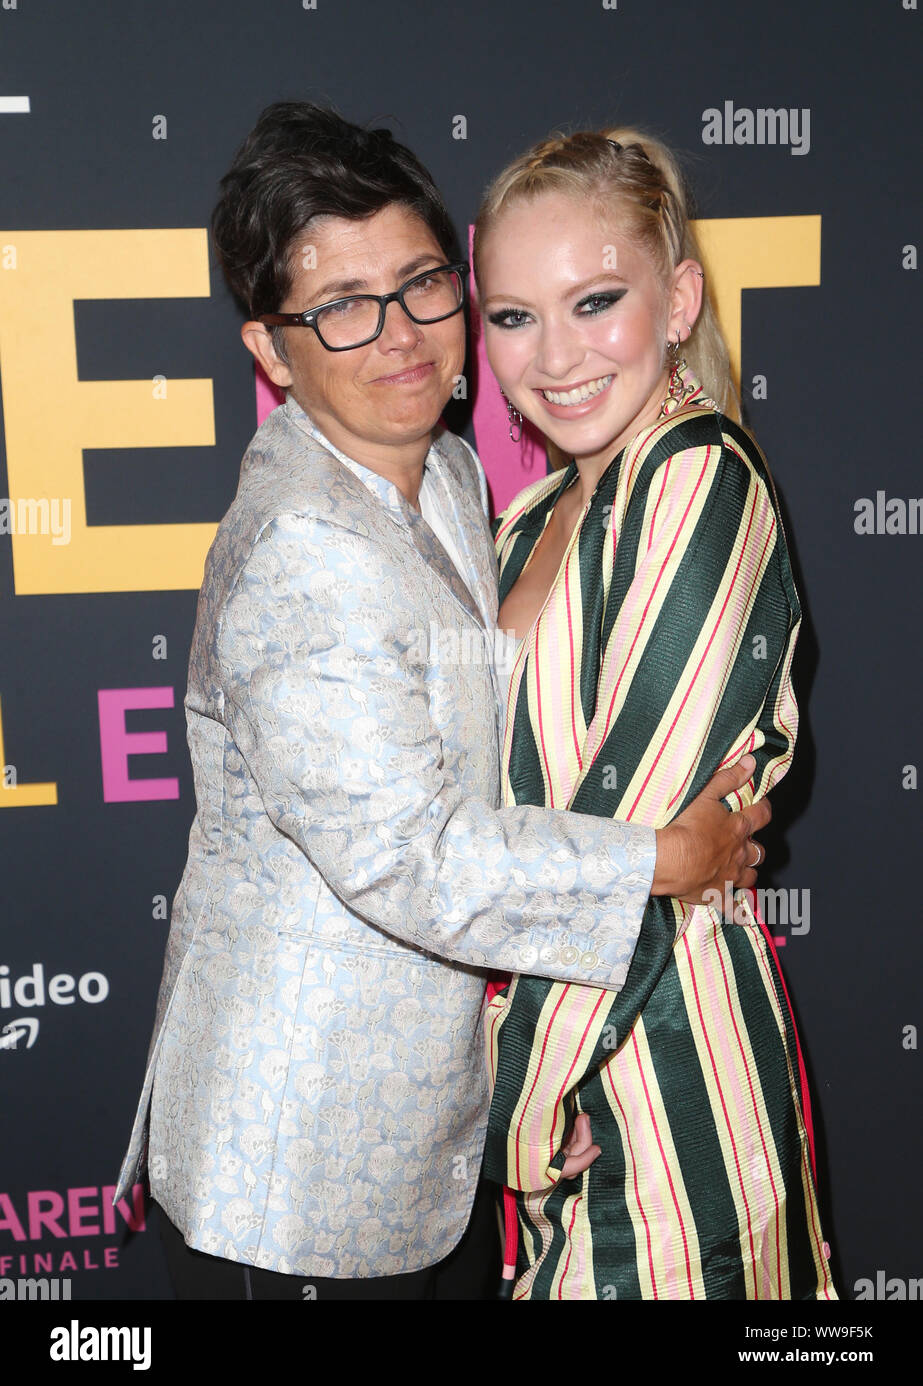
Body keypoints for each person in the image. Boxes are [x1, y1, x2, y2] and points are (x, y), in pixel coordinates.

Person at [113, 103, 769, 1301]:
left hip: (435, 1127)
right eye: (340, 308)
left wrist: (524, 1082)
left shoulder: (452, 472)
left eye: (422, 285)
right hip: (298, 1169)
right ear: (270, 350)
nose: (399, 336)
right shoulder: (301, 547)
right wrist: (658, 860)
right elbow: (409, 855)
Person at [474, 127, 836, 1300]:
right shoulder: (527, 519)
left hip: (667, 1080)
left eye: (594, 301)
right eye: (514, 315)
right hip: (558, 1079)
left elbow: (619, 857)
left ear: (677, 298)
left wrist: (511, 1112)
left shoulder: (698, 478)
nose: (553, 355)